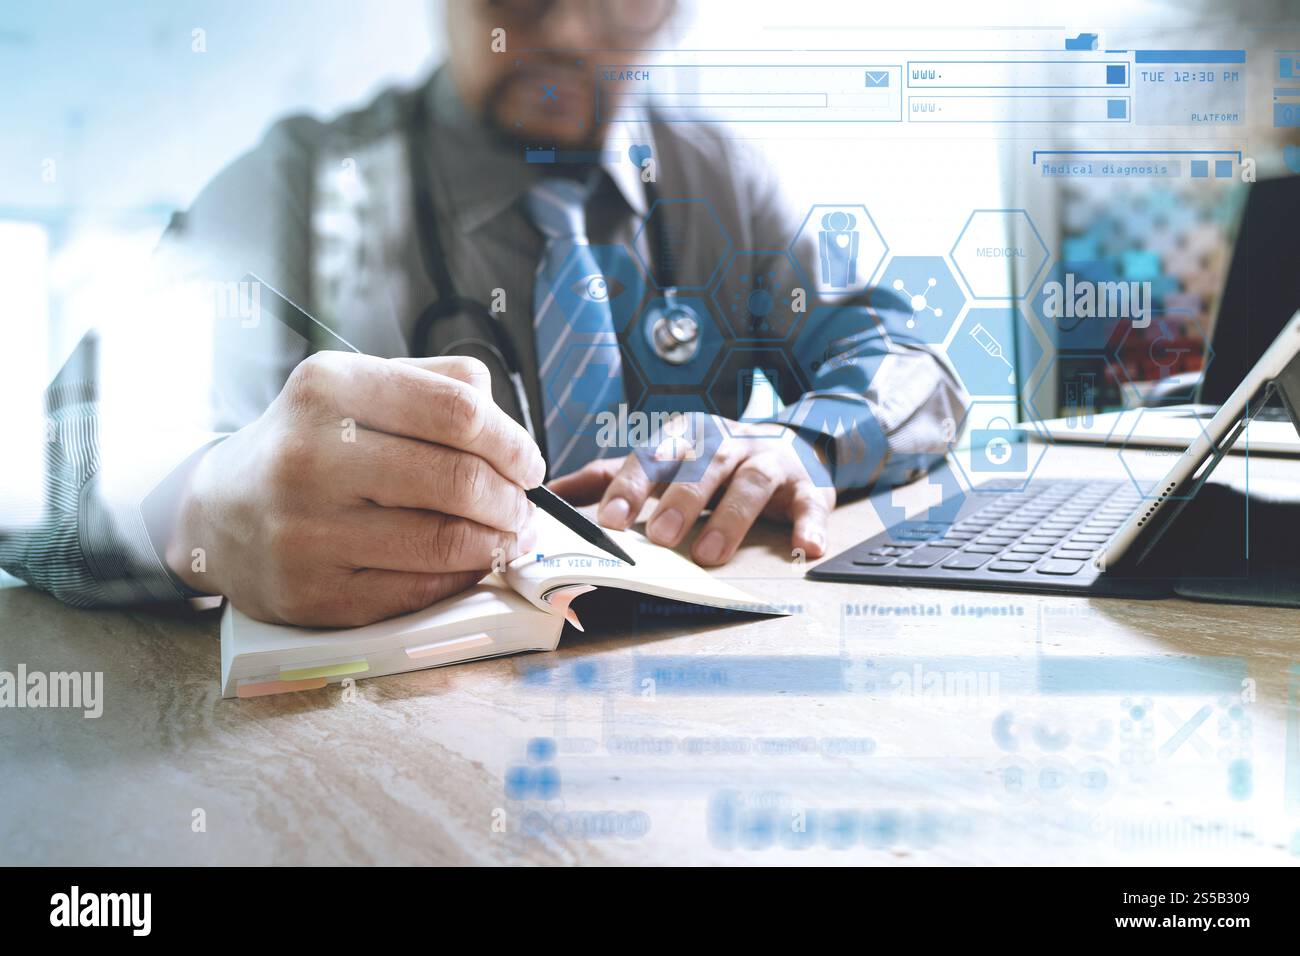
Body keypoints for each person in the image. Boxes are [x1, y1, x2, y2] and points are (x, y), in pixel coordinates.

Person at [0, 0, 966, 626]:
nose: (571, 31)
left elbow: (908, 362)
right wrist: (195, 503)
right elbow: (34, 462)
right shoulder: (293, 185)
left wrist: (807, 443)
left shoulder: (723, 180)